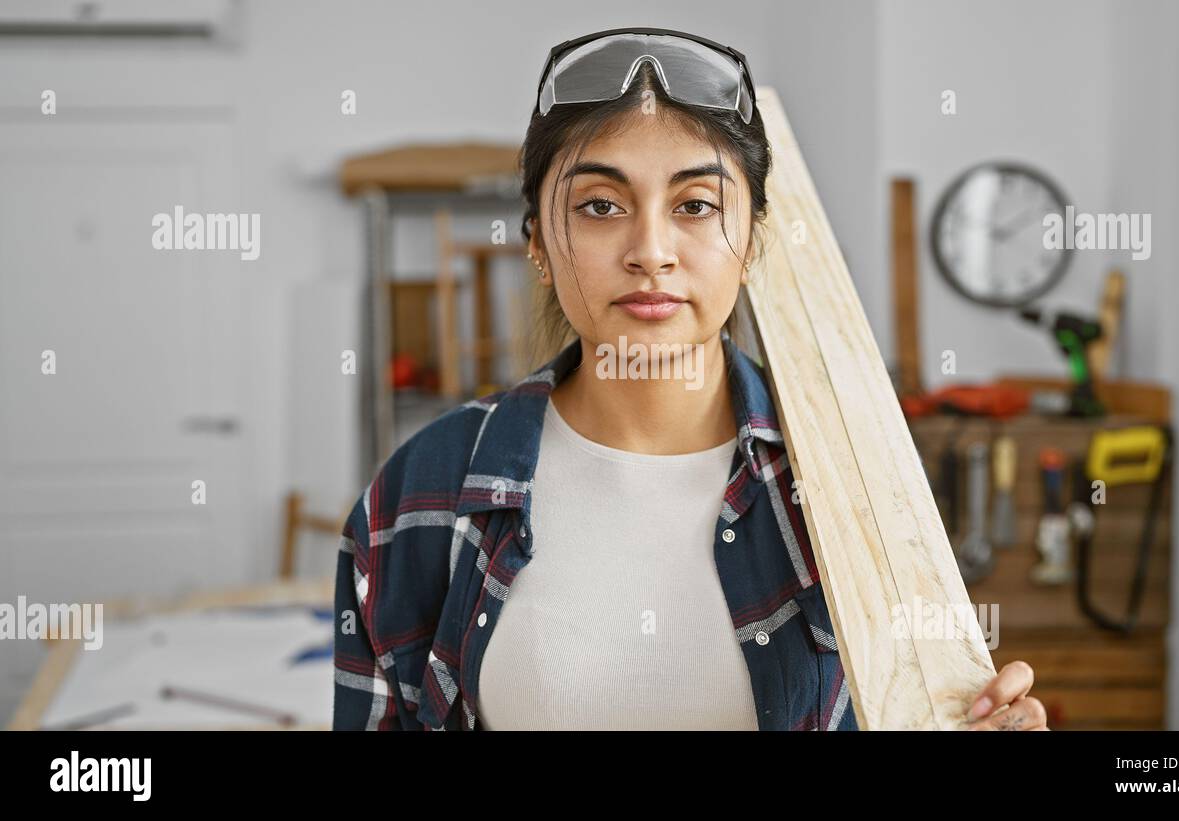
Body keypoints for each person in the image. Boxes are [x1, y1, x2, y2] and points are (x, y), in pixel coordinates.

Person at [333, 27, 1046, 731]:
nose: (650, 250)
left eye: (695, 205)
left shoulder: (858, 483)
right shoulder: (416, 498)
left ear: (753, 244)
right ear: (540, 247)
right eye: (600, 206)